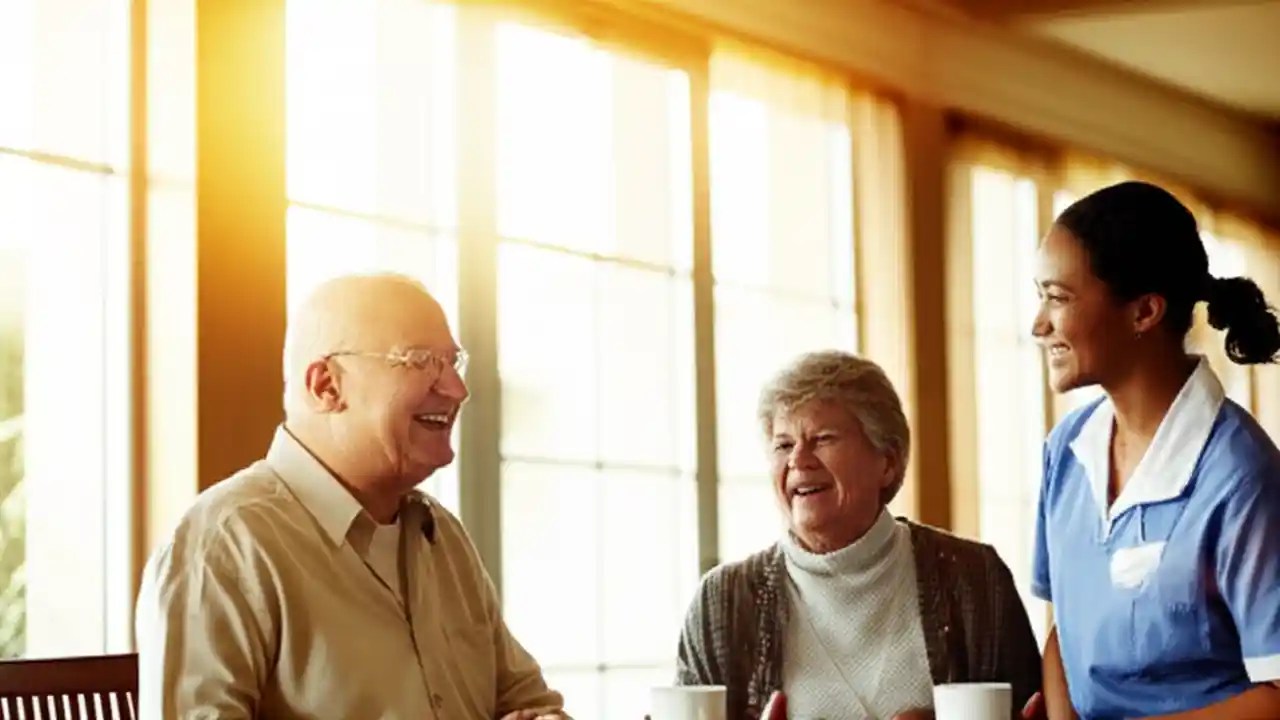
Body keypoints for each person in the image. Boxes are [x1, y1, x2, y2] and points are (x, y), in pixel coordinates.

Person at [135, 273, 568, 719]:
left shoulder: (442, 536)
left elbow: (526, 700)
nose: (458, 390)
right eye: (420, 361)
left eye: (451, 362)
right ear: (326, 386)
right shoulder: (224, 547)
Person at [675, 350, 1043, 720]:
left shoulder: (975, 580)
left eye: (822, 438)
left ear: (887, 462)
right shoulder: (723, 602)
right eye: (784, 445)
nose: (798, 460)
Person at [1031, 181, 1280, 719]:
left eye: (1059, 298)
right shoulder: (1066, 451)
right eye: (1041, 296)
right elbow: (1064, 630)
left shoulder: (1241, 475)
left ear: (1144, 311)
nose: (1039, 325)